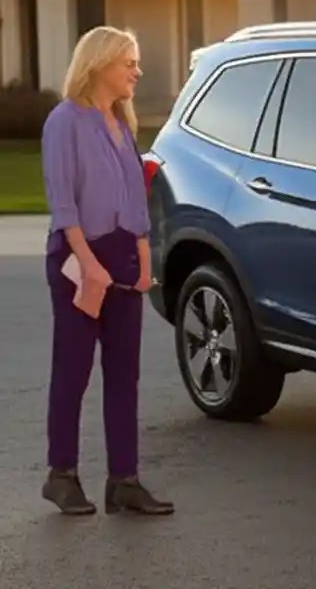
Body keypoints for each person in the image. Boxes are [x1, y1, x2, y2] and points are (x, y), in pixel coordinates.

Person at [40, 26, 174, 516]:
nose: (137, 71)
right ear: (99, 65)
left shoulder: (123, 124)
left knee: (124, 376)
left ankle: (125, 480)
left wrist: (142, 266)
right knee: (73, 372)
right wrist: (92, 268)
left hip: (121, 261)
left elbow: (135, 206)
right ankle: (62, 475)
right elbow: (64, 205)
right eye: (129, 63)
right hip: (78, 260)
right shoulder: (64, 122)